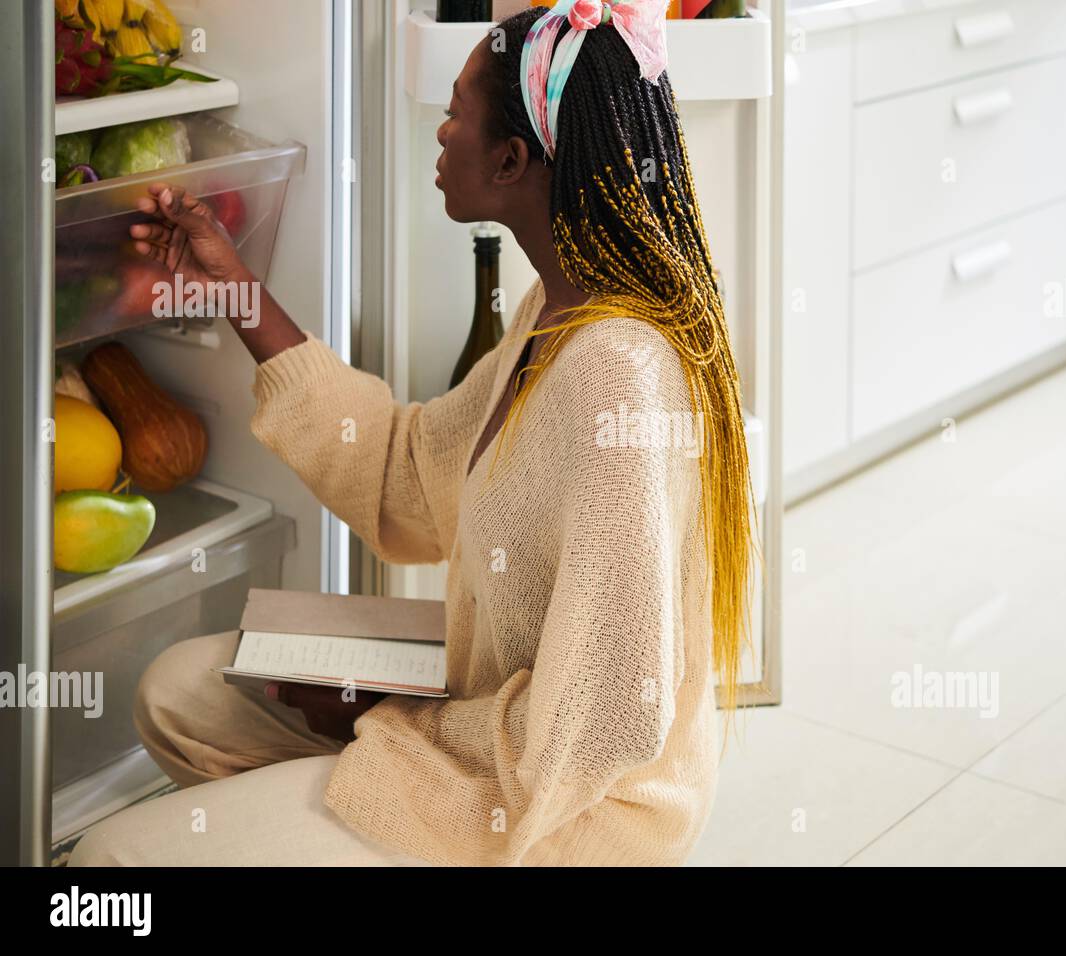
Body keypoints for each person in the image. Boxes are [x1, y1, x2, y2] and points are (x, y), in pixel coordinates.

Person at [69, 0, 757, 867]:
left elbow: (610, 719)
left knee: (109, 861)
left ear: (512, 160)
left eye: (456, 112)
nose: (440, 132)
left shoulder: (615, 371)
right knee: (178, 695)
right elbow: (405, 470)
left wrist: (385, 719)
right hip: (491, 723)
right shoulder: (557, 312)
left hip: (559, 811)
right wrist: (235, 287)